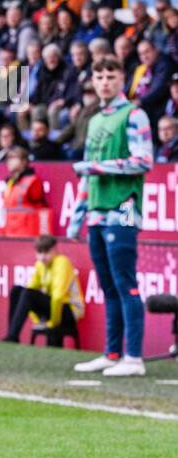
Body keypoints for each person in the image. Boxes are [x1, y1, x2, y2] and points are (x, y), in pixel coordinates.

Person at [68, 56, 154, 377]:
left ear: (122, 79)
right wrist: (77, 216)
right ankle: (112, 352)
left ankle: (133, 357)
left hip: (124, 207)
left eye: (111, 76)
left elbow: (144, 161)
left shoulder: (135, 115)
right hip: (97, 210)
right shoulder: (94, 120)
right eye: (100, 76)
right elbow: (86, 177)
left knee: (124, 282)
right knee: (107, 285)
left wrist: (97, 168)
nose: (105, 82)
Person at [2, 235, 84, 345]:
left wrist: (52, 323)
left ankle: (12, 336)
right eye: (39, 253)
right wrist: (38, 320)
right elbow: (29, 292)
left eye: (46, 253)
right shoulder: (40, 265)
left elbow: (58, 297)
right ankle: (12, 335)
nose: (42, 257)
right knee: (17, 290)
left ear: (55, 250)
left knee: (28, 293)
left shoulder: (62, 262)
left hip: (70, 311)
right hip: (53, 308)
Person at [0, 146, 50, 237]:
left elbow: (43, 211)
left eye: (13, 157)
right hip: (10, 234)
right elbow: (6, 211)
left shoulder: (33, 181)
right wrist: (3, 232)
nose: (9, 161)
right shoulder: (10, 183)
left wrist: (44, 238)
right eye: (8, 158)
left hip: (28, 236)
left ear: (24, 161)